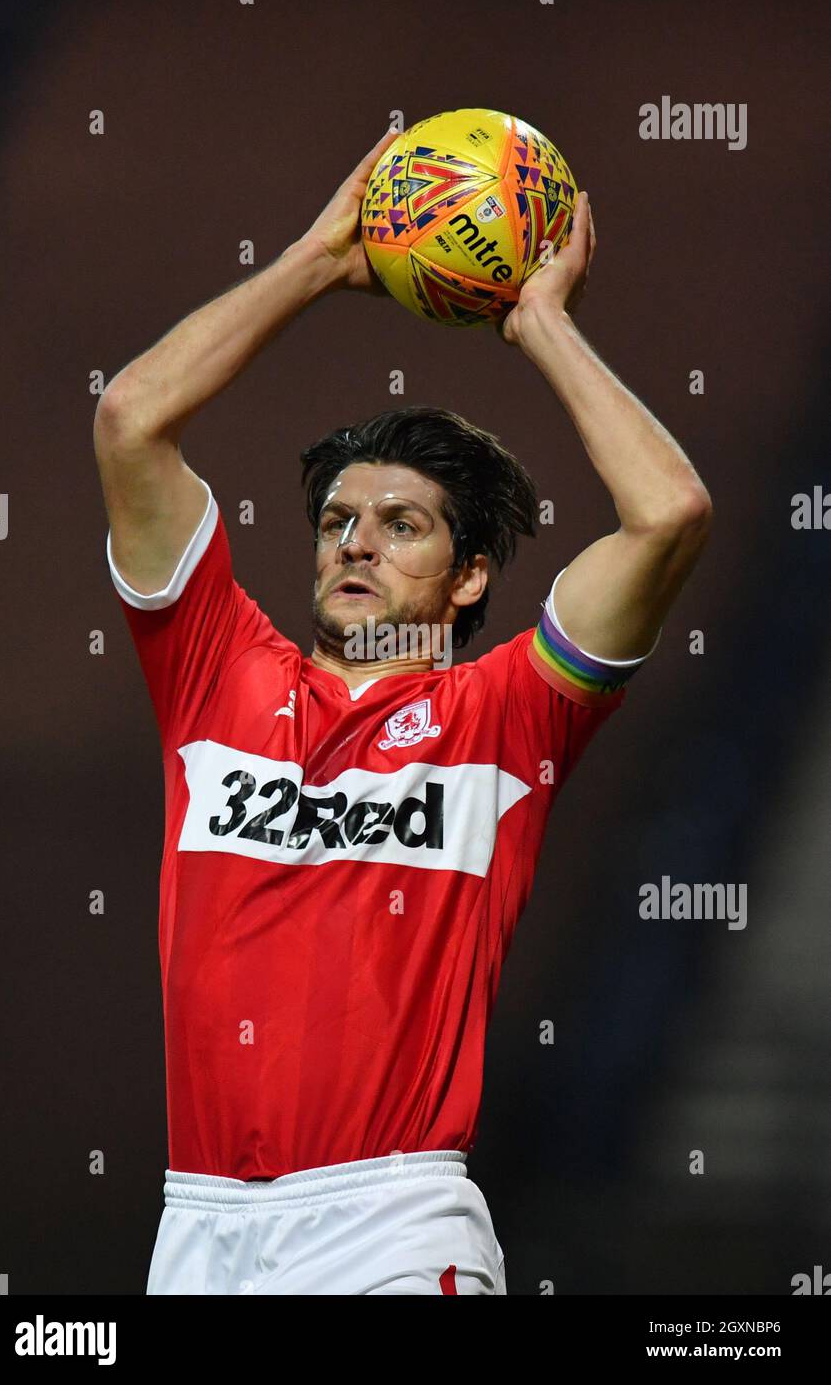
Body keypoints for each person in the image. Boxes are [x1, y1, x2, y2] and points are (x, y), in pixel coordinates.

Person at [93, 128, 712, 1295]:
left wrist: (538, 322)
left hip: (389, 1218)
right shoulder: (213, 667)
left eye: (401, 522)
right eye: (336, 521)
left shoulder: (507, 713)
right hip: (196, 1229)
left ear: (470, 574)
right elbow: (131, 418)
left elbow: (668, 510)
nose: (356, 542)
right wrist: (321, 259)